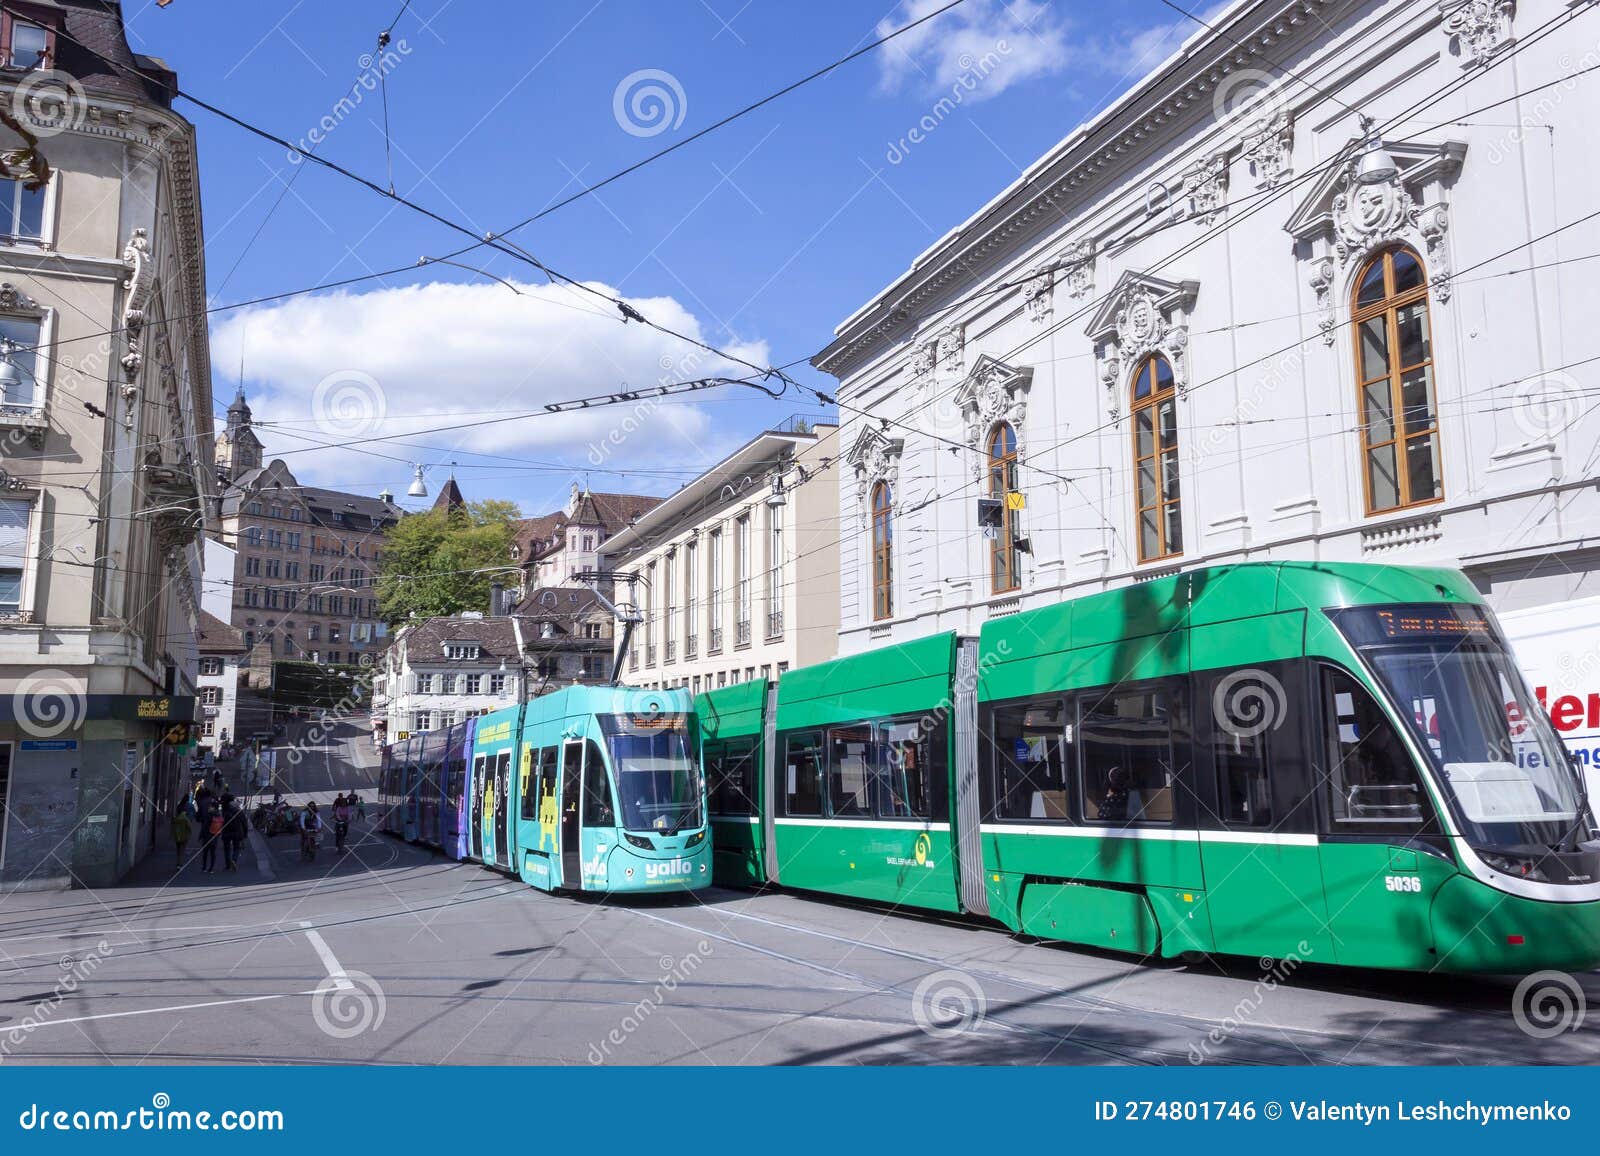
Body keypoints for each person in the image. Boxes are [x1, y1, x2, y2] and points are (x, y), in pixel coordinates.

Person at [222, 795, 248, 872]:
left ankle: (227, 865)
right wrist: (245, 834)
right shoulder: (240, 812)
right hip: (237, 832)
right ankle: (234, 860)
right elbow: (245, 824)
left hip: (227, 832)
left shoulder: (226, 812)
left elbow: (223, 823)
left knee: (227, 849)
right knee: (236, 848)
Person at [199, 794, 224, 874]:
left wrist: (201, 835)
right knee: (213, 853)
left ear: (212, 807)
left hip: (207, 836)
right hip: (215, 836)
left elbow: (205, 826)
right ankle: (211, 868)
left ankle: (204, 867)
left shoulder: (209, 815)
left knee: (205, 852)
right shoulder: (219, 815)